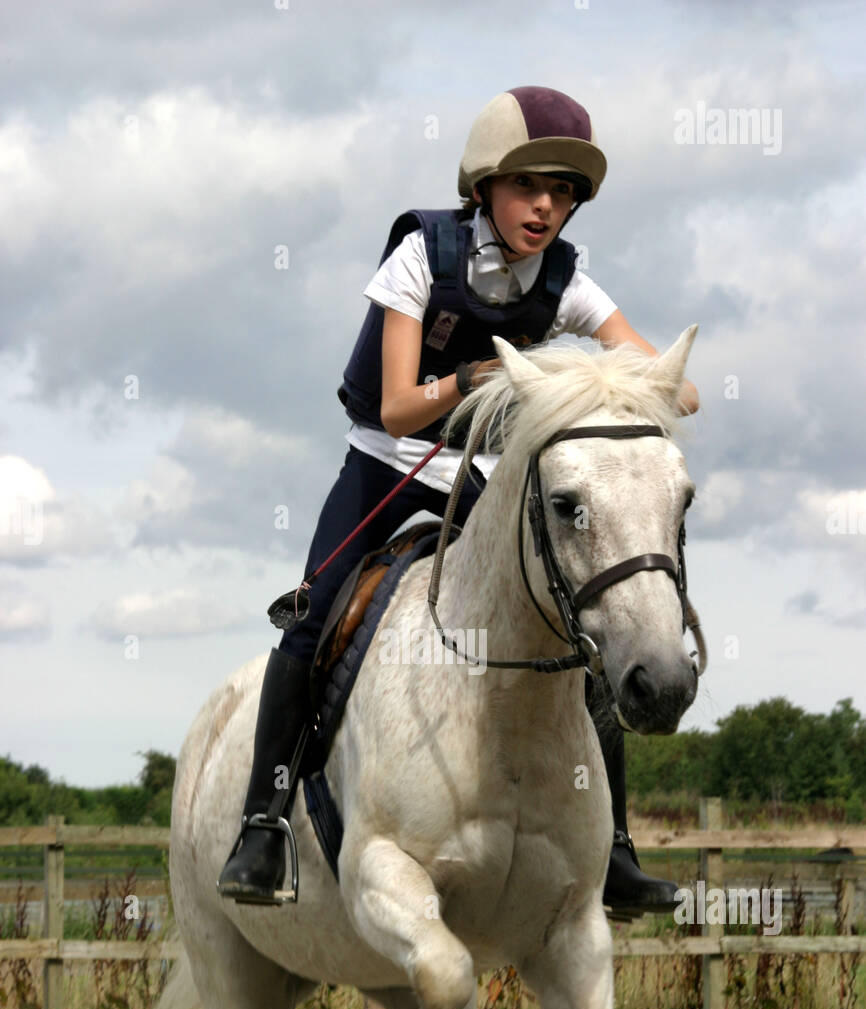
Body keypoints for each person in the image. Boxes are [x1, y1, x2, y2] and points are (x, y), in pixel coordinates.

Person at [218, 85, 699, 910]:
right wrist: (474, 378)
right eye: (527, 188)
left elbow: (677, 393)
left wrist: (594, 382)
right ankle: (263, 821)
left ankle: (612, 847)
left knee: (577, 615)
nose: (545, 207)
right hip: (386, 460)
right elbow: (400, 406)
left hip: (481, 475)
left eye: (563, 193)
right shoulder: (420, 257)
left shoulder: (567, 281)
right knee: (311, 619)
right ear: (485, 188)